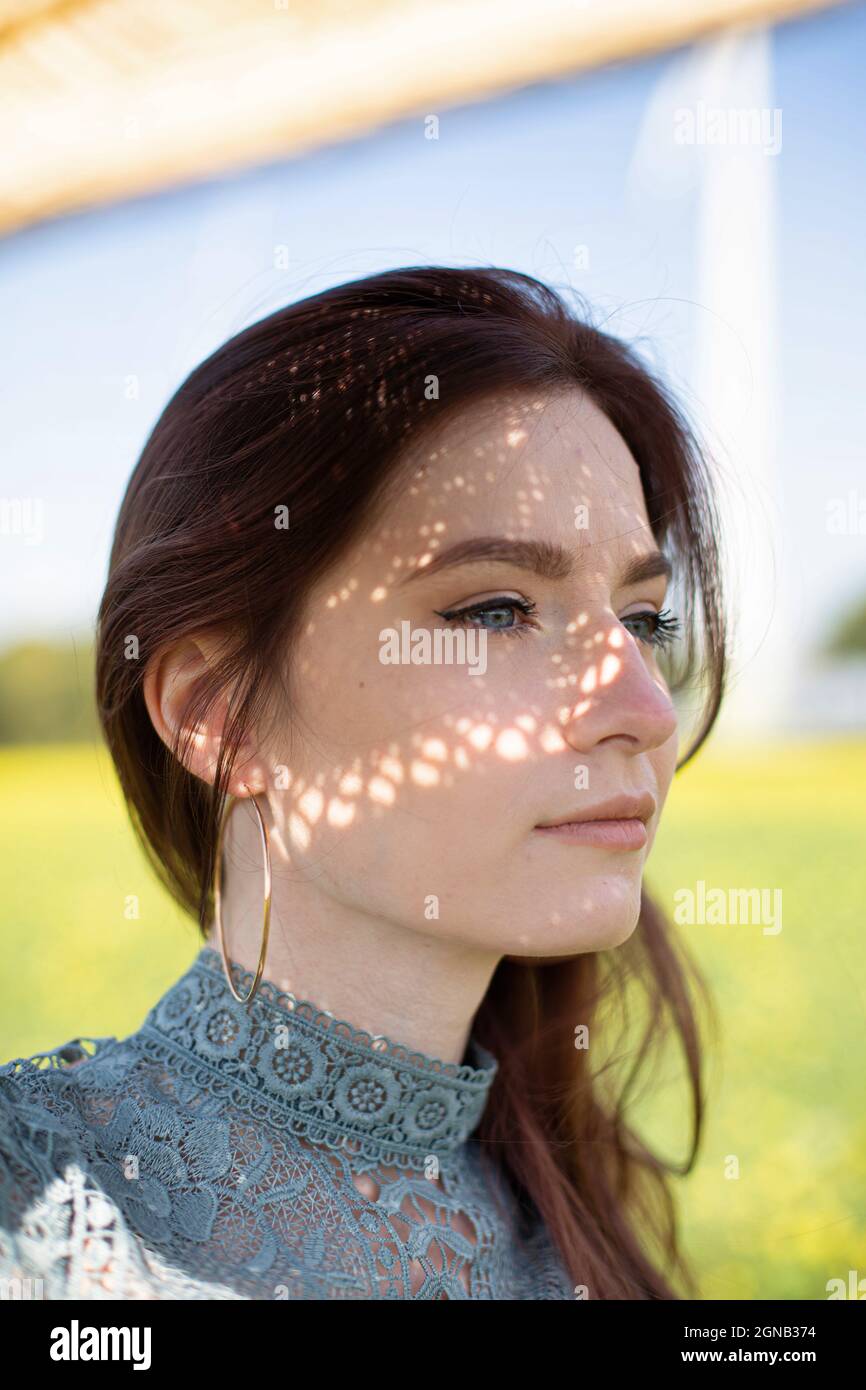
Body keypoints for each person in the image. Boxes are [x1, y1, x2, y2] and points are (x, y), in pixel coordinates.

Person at [0, 266, 725, 1300]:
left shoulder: (573, 1225)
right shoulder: (37, 1202)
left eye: (642, 620)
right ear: (217, 713)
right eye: (495, 610)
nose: (645, 707)